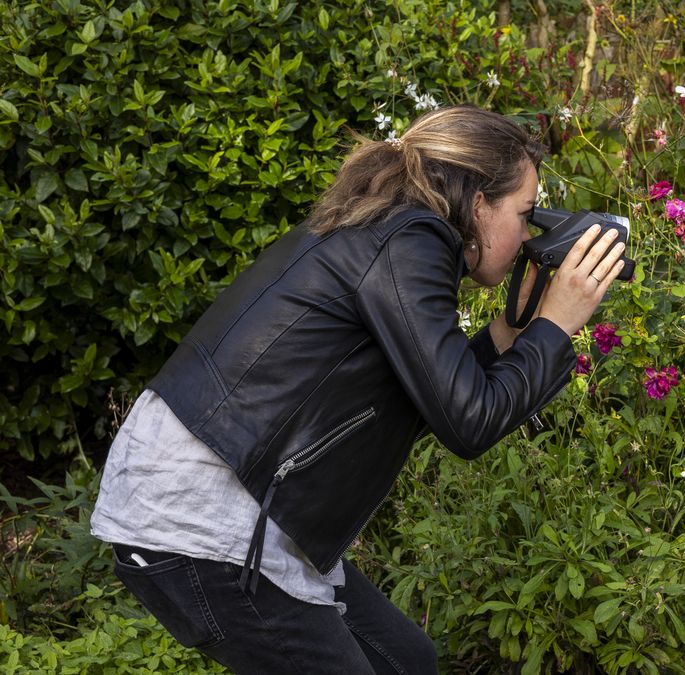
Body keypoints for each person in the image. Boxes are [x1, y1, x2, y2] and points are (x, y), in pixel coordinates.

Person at [89, 105, 626, 673]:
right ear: (477, 203)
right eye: (524, 213)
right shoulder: (410, 242)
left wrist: (512, 331)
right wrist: (556, 326)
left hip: (233, 496)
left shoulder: (392, 231)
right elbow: (470, 423)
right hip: (200, 514)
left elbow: (440, 398)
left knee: (406, 661)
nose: (528, 234)